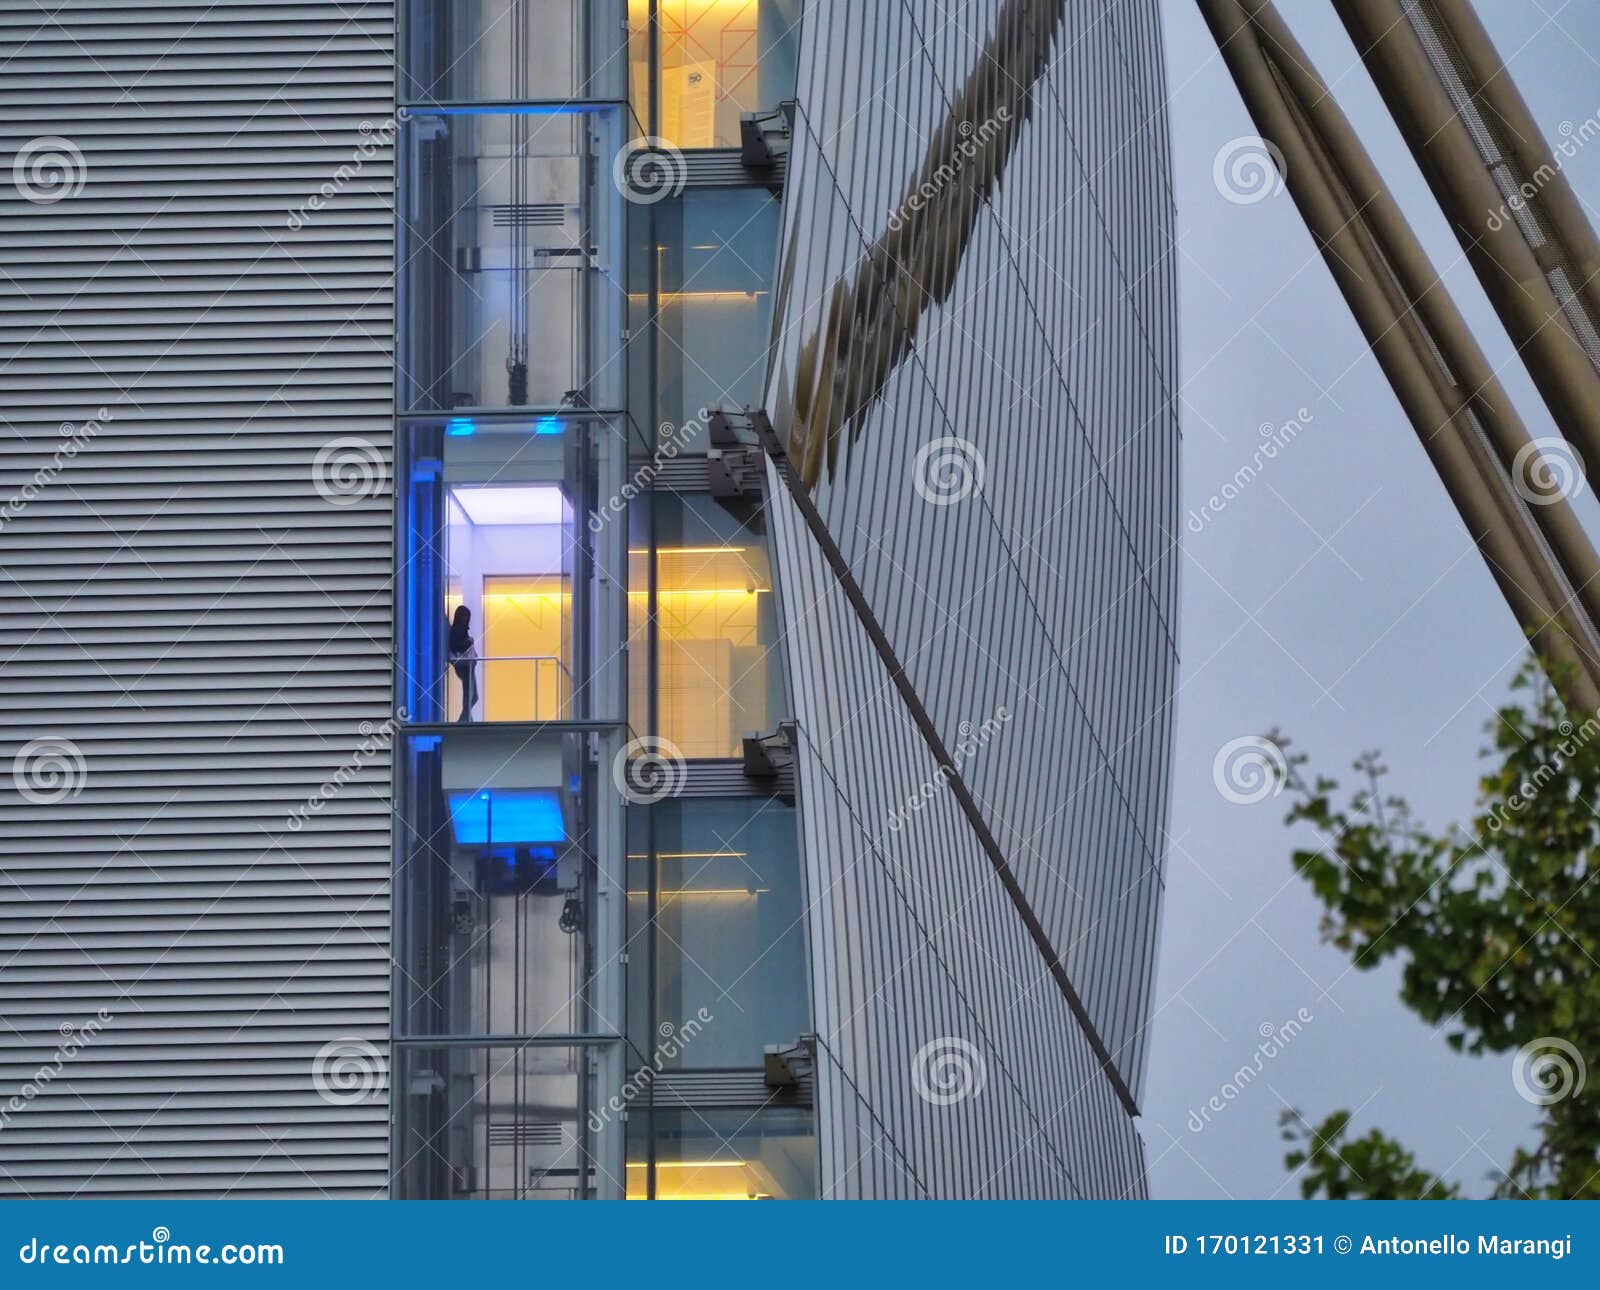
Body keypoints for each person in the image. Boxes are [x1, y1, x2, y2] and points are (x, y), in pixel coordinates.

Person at [448, 605, 478, 722]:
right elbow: (456, 646)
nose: (466, 618)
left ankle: (464, 720)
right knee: (469, 696)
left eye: (467, 616)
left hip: (468, 665)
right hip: (464, 666)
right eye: (464, 615)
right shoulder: (456, 630)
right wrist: (469, 642)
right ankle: (465, 721)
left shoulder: (463, 630)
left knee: (473, 696)